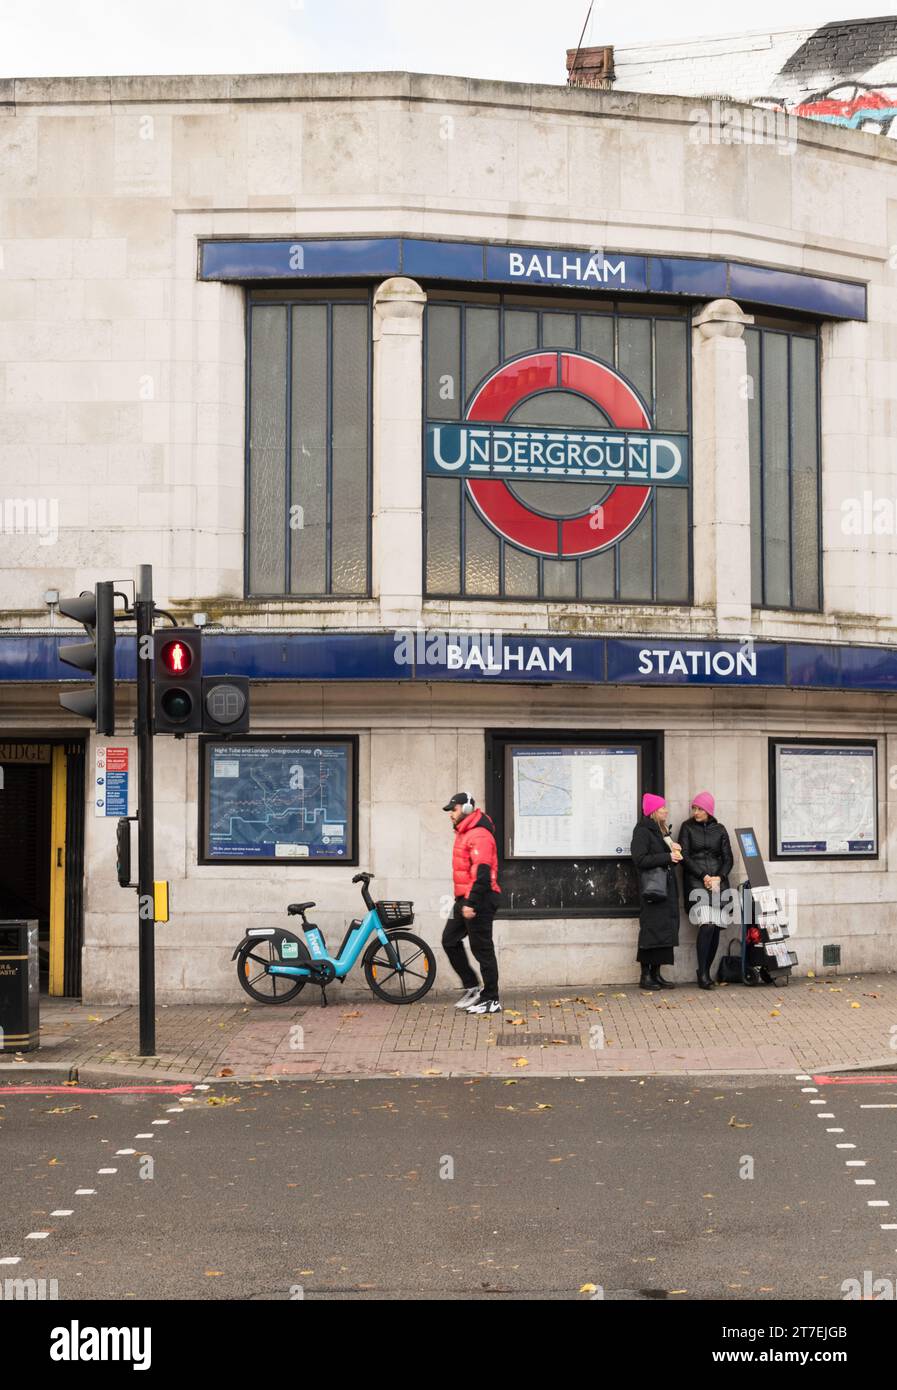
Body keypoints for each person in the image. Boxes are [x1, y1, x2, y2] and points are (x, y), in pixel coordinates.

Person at [442, 792, 502, 1015]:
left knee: (482, 949)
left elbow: (483, 873)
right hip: (463, 899)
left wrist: (472, 903)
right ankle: (473, 988)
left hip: (480, 898)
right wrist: (463, 901)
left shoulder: (480, 834)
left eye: (454, 810)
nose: (451, 815)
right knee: (449, 940)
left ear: (466, 809)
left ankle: (491, 999)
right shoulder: (464, 833)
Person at [677, 791, 734, 990]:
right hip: (696, 883)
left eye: (700, 808)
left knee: (716, 928)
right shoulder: (687, 827)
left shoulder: (720, 829)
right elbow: (684, 856)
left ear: (708, 810)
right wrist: (704, 876)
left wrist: (719, 877)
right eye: (694, 808)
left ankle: (706, 970)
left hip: (718, 884)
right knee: (707, 925)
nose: (696, 812)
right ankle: (702, 972)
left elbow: (728, 859)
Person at [630, 793, 682, 992]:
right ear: (653, 812)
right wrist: (667, 856)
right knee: (651, 931)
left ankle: (657, 974)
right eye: (662, 808)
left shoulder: (662, 831)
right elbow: (640, 859)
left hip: (666, 888)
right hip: (652, 890)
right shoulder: (642, 831)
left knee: (665, 931)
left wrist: (674, 852)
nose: (666, 811)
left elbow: (664, 858)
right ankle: (646, 976)